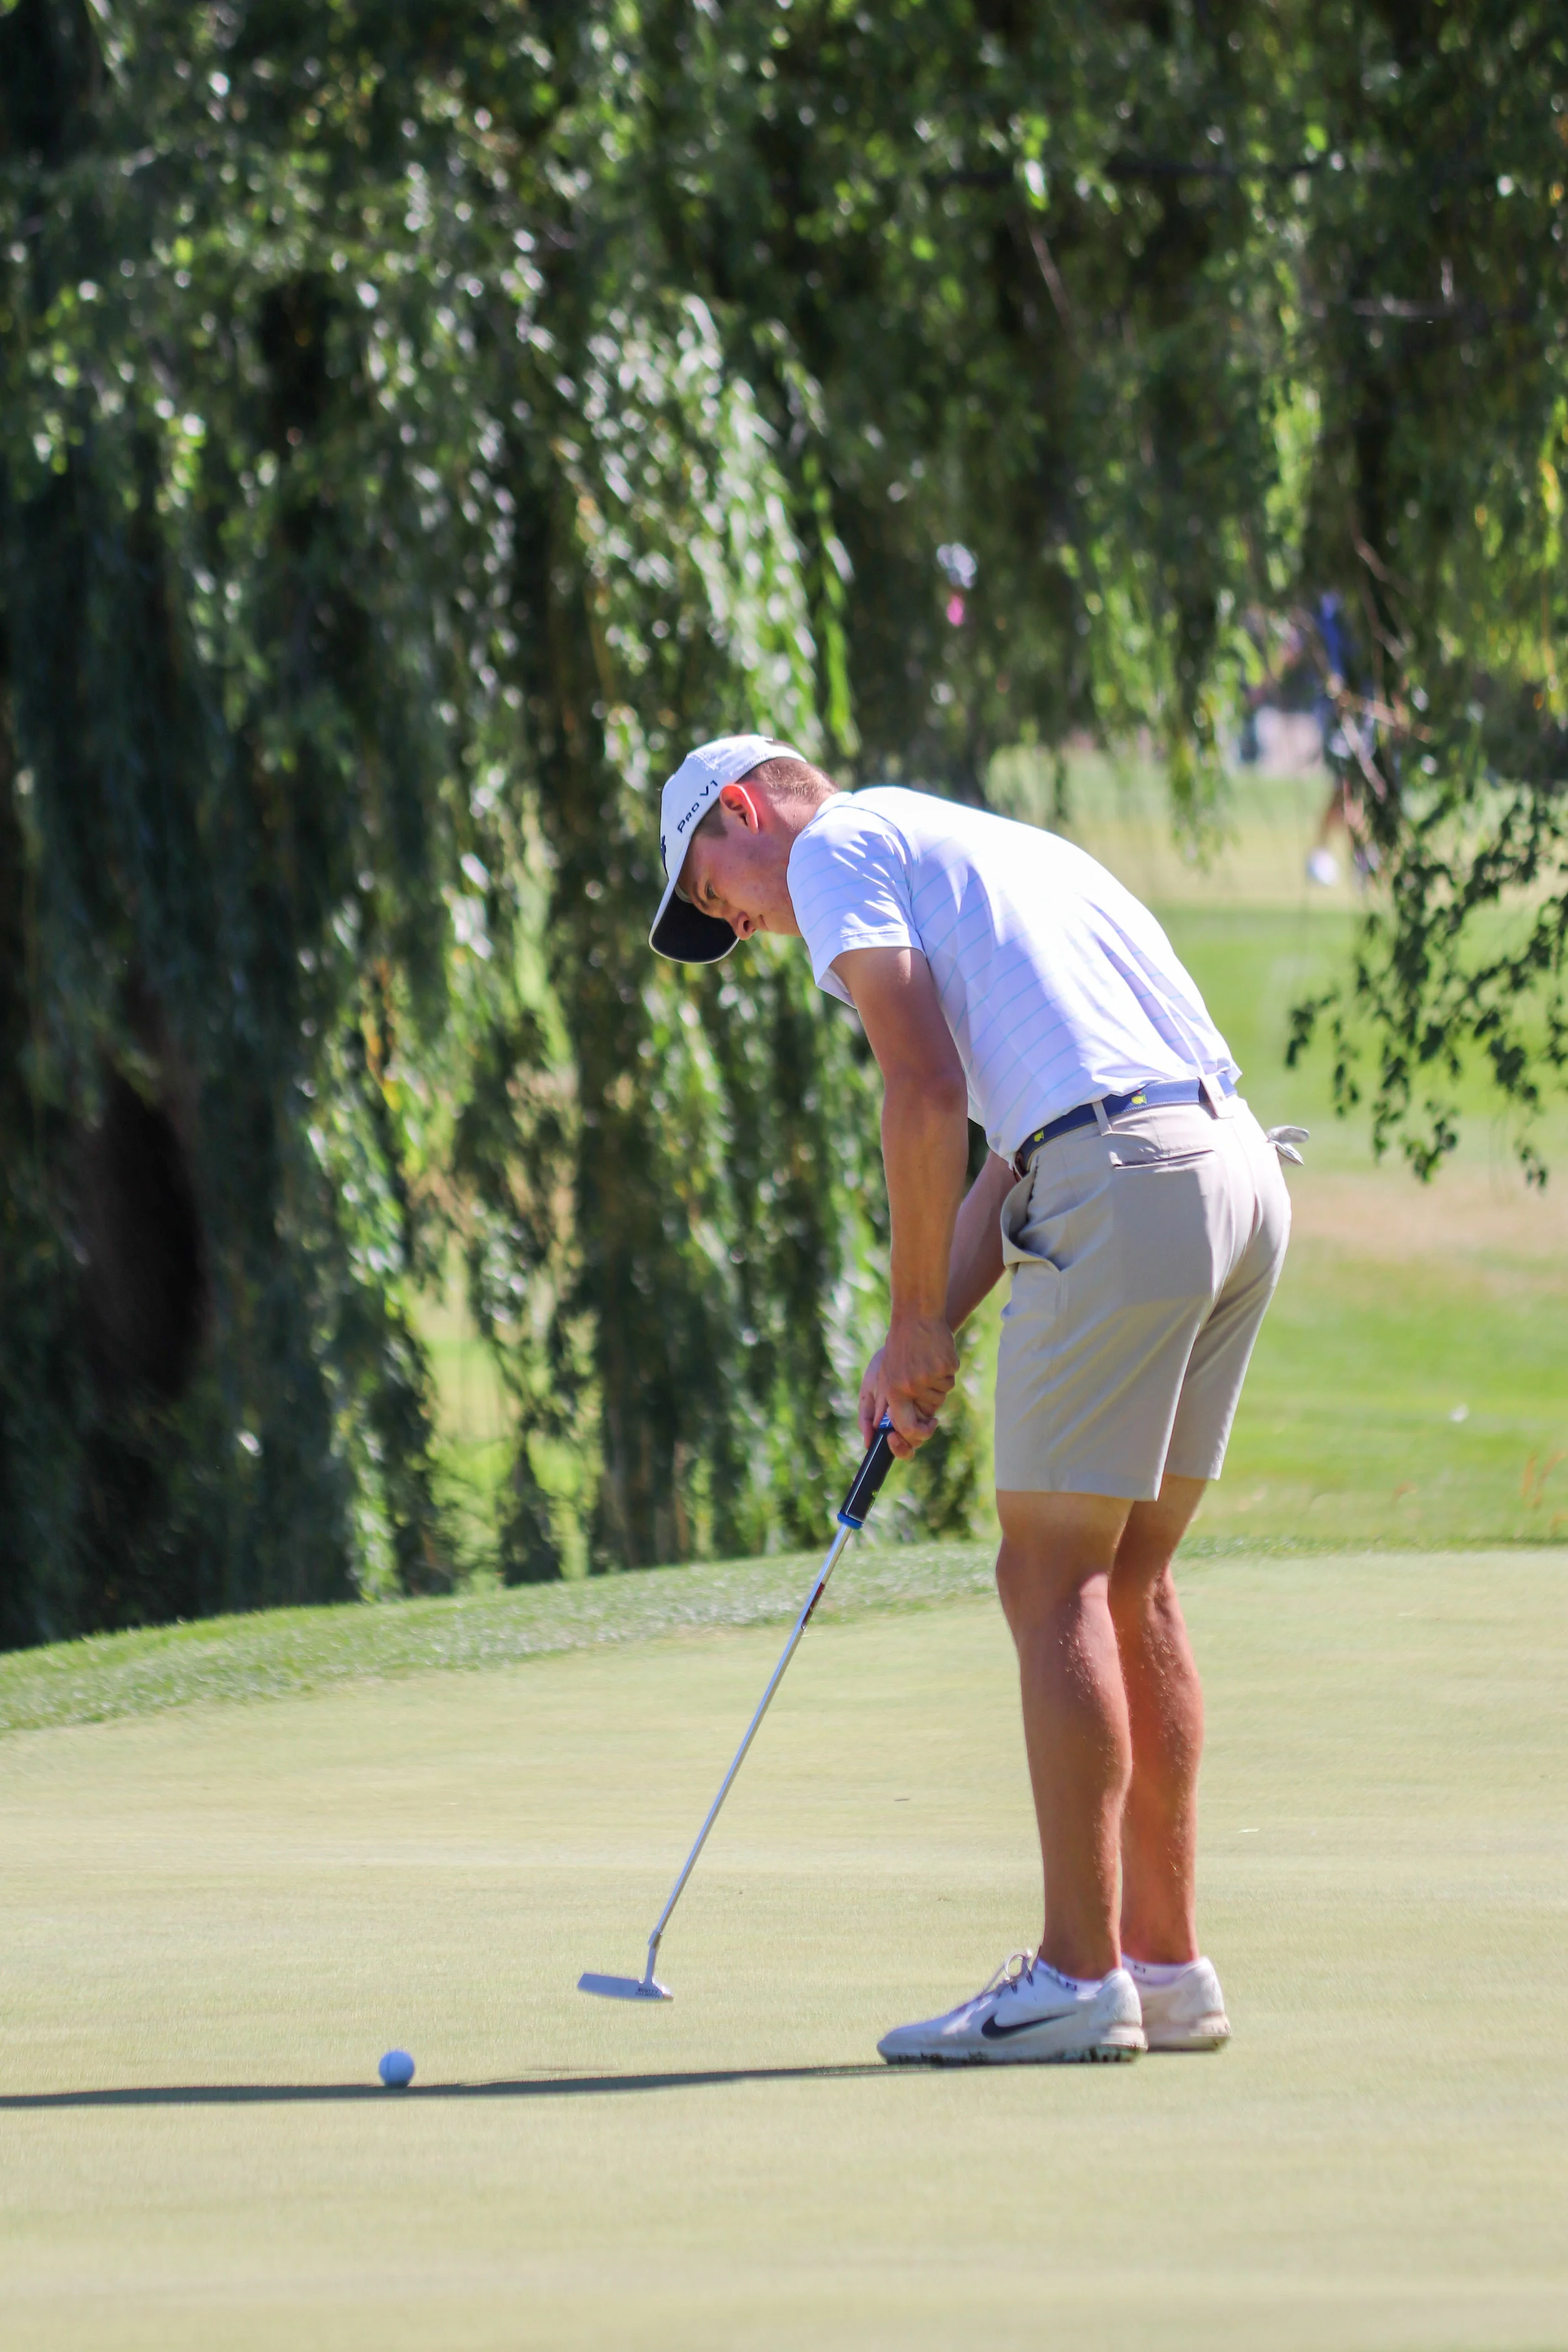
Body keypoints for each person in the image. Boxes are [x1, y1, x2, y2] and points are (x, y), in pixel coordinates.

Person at [647, 733, 1301, 2064]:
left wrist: (902, 1318)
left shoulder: (833, 849)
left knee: (1047, 1574)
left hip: (1125, 1177)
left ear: (741, 809)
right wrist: (928, 1330)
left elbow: (926, 1086)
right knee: (1130, 1581)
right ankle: (1165, 1968)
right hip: (1230, 1177)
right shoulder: (985, 849)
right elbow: (1017, 1147)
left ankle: (1076, 1979)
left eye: (721, 892)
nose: (747, 925)